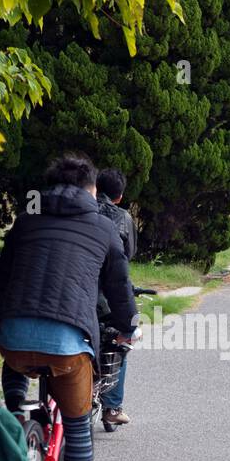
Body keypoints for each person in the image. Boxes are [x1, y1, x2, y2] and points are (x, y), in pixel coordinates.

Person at [0, 153, 137, 461]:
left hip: (14, 338)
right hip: (68, 345)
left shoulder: (24, 222)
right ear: (92, 189)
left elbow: (3, 277)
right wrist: (126, 329)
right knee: (77, 425)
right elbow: (119, 289)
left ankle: (18, 412)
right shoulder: (104, 228)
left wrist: (9, 318)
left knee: (17, 357)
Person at [95, 168, 135, 426]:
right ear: (119, 196)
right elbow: (127, 256)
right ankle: (112, 407)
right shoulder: (122, 218)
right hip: (105, 297)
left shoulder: (80, 213)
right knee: (121, 341)